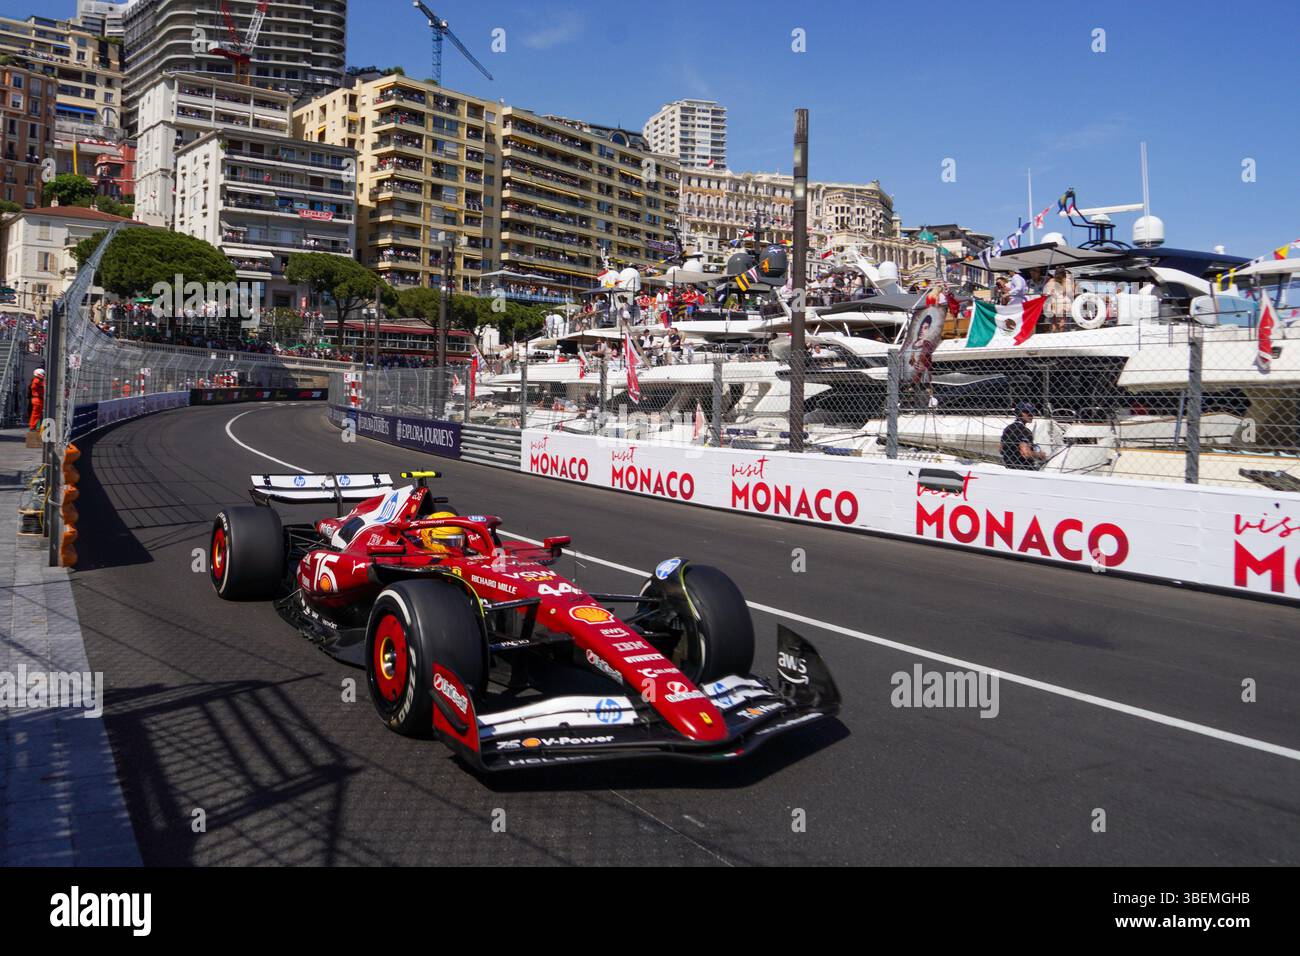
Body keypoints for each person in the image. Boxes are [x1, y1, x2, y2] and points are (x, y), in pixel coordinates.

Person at [1001, 402, 1047, 470]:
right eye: (1027, 412)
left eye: (1033, 412)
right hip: (1024, 469)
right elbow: (1025, 453)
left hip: (1009, 468)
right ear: (1019, 413)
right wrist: (1040, 455)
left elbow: (1001, 450)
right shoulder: (1025, 431)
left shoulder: (1008, 428)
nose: (1031, 415)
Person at [1043, 267, 1076, 333]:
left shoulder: (1067, 281)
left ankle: (1061, 333)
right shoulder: (1052, 281)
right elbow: (1046, 292)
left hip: (1064, 302)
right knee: (1053, 322)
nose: (1058, 275)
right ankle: (1054, 333)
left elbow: (1070, 292)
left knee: (1062, 321)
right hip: (1053, 302)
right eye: (1057, 274)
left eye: (1059, 274)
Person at [27, 367, 44, 432]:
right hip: (37, 399)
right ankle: (33, 427)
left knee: (37, 414)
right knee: (36, 414)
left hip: (37, 399)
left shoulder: (37, 380)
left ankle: (35, 426)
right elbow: (34, 387)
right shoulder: (37, 381)